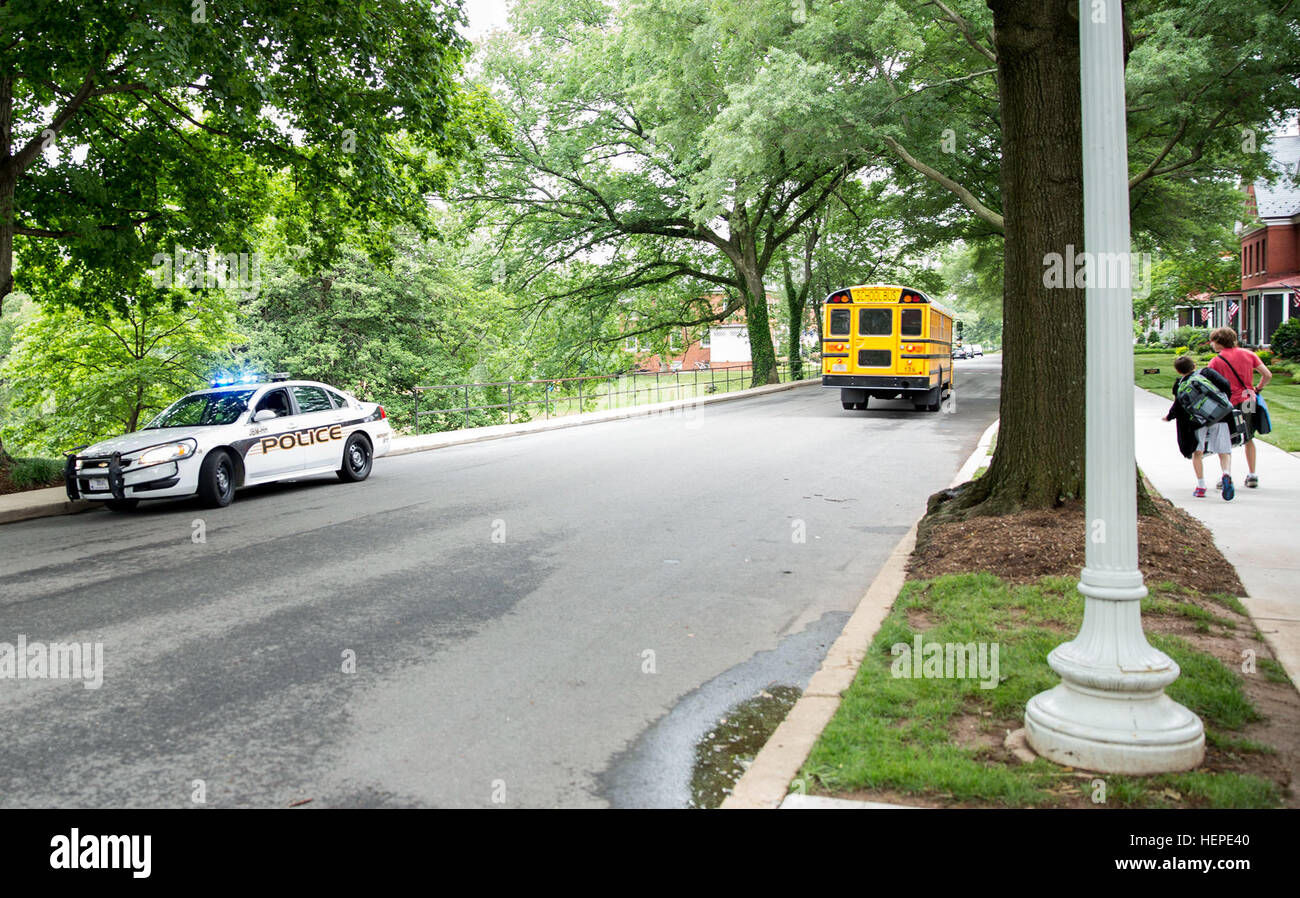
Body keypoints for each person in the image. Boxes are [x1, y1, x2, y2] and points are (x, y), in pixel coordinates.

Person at [1163, 355, 1237, 500]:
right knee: (1224, 450)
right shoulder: (1208, 373)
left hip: (1197, 421)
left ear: (1178, 371)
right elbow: (1226, 386)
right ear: (1194, 365)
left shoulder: (1180, 384)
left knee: (1197, 452)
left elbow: (1178, 405)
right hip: (1220, 416)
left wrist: (1169, 417)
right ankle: (1226, 474)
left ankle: (1201, 486)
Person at [1208, 327, 1272, 489]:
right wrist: (1258, 388)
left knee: (1226, 438)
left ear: (1219, 342)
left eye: (1213, 341)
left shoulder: (1216, 361)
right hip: (1248, 399)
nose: (1212, 345)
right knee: (1248, 436)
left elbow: (1209, 383)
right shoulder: (1248, 354)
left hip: (1227, 403)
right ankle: (1252, 475)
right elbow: (1267, 375)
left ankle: (1226, 475)